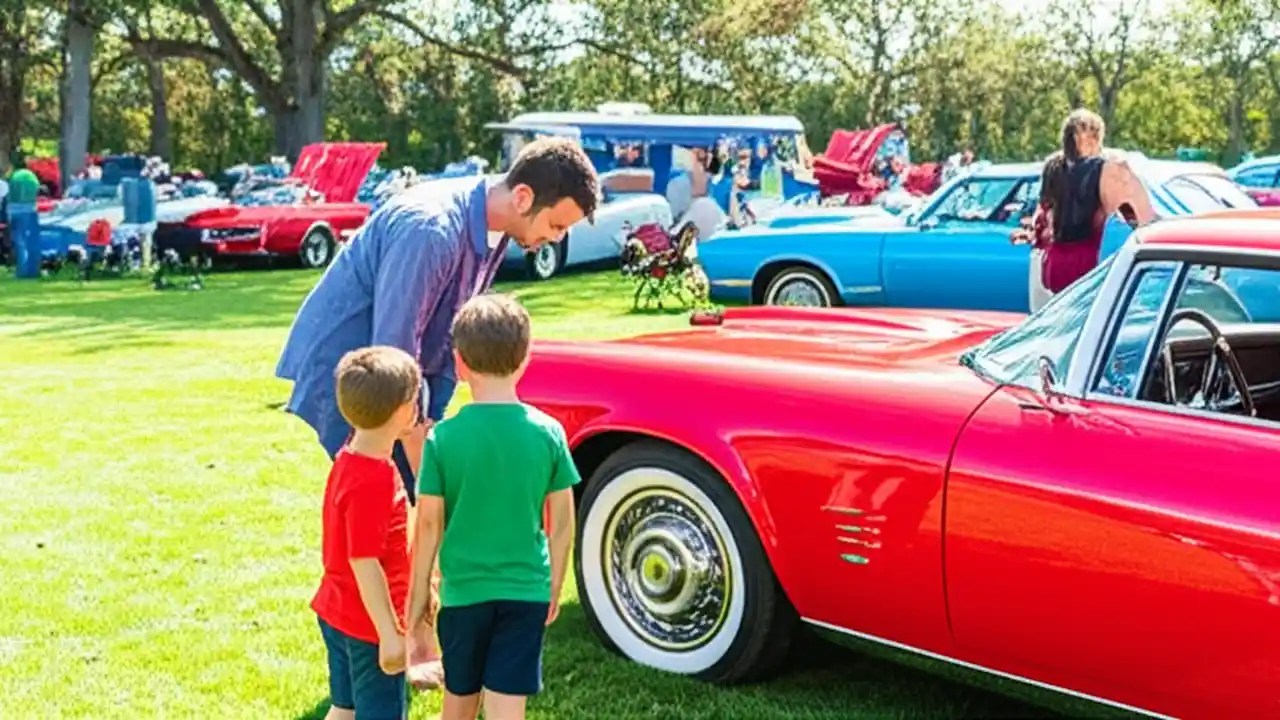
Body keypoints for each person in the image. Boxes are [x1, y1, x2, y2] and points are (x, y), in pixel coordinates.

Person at [276, 136, 598, 688]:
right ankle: (381, 656)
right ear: (523, 196)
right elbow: (393, 351)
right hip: (362, 392)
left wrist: (436, 429)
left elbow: (448, 341)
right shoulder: (431, 231)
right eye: (557, 225)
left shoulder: (492, 230)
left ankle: (411, 640)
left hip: (403, 393)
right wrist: (417, 444)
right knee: (378, 527)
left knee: (409, 516)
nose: (554, 239)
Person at [406, 293, 578, 720]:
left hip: (464, 595)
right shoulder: (549, 433)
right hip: (526, 592)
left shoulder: (442, 439)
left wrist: (416, 602)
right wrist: (554, 583)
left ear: (459, 363)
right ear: (524, 359)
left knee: (459, 700)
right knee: (507, 708)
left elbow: (428, 526)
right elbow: (562, 523)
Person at [312, 346, 421, 720]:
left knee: (345, 708)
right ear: (401, 412)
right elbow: (364, 562)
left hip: (337, 611)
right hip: (367, 626)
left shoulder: (351, 458)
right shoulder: (372, 480)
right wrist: (390, 633)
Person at [1013, 109, 1156, 309]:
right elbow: (1145, 221)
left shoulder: (1052, 168)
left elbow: (1041, 218)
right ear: (1094, 139)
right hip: (1087, 267)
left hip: (1053, 266)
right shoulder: (1107, 171)